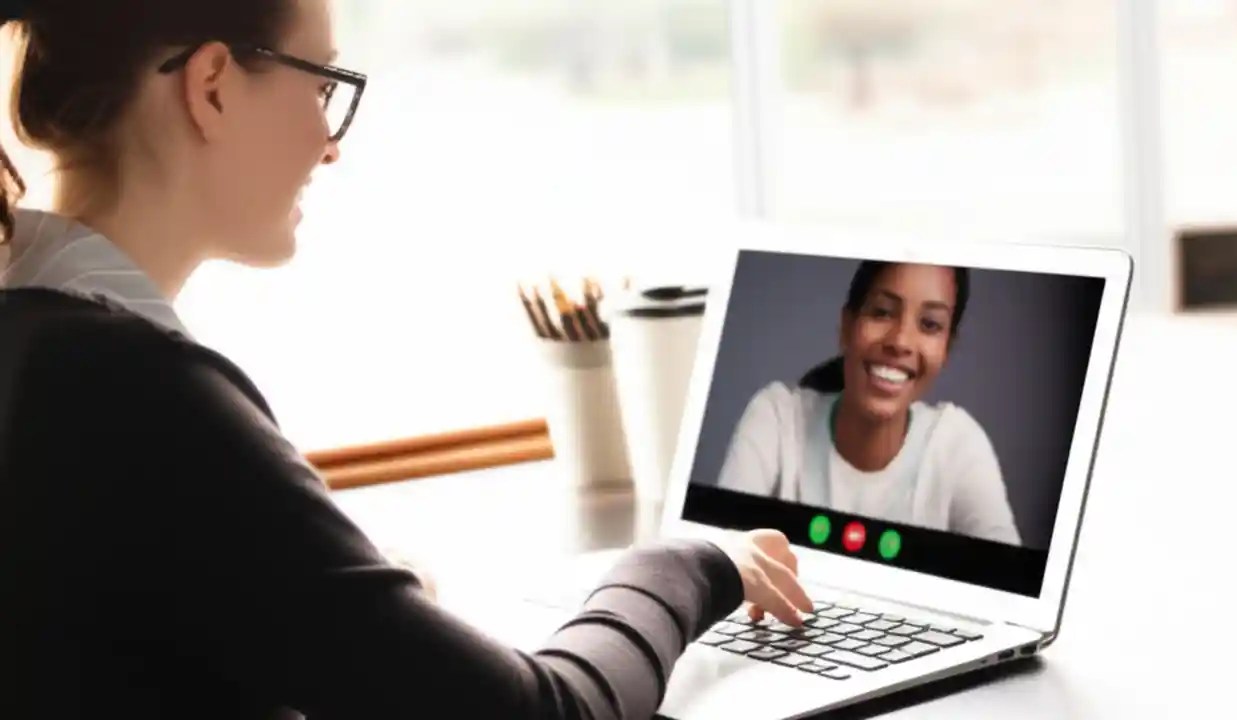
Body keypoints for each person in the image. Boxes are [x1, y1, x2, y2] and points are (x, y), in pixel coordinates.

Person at [0, 1, 813, 718]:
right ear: (211, 86)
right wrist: (694, 562)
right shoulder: (140, 396)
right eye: (322, 87)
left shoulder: (42, 349)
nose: (330, 142)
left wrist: (371, 603)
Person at [716, 260, 1023, 546]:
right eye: (882, 312)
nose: (900, 341)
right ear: (847, 326)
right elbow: (720, 555)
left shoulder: (957, 444)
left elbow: (1009, 583)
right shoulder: (777, 418)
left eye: (929, 324)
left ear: (946, 349)